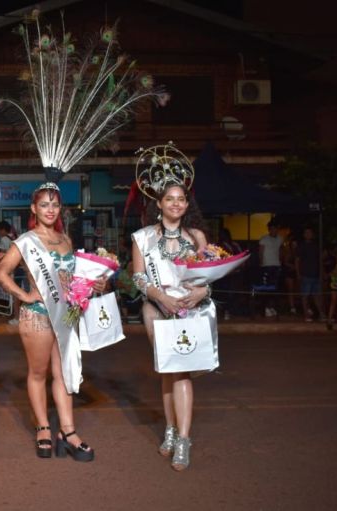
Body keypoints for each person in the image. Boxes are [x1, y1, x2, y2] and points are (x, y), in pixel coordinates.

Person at [0, 181, 104, 463]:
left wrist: (93, 284)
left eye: (55, 204)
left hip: (66, 315)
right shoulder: (26, 241)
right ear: (34, 208)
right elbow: (1, 273)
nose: (50, 210)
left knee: (65, 372)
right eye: (44, 204)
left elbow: (72, 277)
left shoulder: (66, 239)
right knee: (38, 373)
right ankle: (43, 428)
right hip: (39, 316)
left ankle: (67, 432)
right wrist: (24, 295)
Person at [130, 146, 213, 471]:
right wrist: (160, 297)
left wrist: (201, 291)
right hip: (156, 308)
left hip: (191, 308)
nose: (176, 204)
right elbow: (137, 277)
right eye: (170, 199)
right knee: (168, 368)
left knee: (182, 370)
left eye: (181, 199)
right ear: (159, 204)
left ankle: (183, 438)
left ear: (186, 203)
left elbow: (209, 275)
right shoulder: (143, 238)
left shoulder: (198, 237)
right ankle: (170, 428)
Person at [296, 226, 324, 322]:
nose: (308, 234)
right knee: (305, 296)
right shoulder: (301, 246)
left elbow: (319, 260)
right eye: (306, 232)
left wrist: (321, 273)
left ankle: (321, 314)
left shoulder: (316, 246)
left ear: (312, 234)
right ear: (304, 235)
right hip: (305, 274)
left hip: (316, 274)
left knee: (317, 296)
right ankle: (307, 315)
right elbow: (297, 260)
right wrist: (298, 273)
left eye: (310, 232)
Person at [258, 221, 283, 317]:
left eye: (275, 228)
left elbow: (280, 251)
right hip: (266, 266)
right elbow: (260, 252)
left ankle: (271, 307)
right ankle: (266, 308)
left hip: (276, 265)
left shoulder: (280, 239)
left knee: (275, 288)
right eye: (272, 229)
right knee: (267, 288)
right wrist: (261, 263)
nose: (274, 230)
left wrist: (281, 262)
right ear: (269, 229)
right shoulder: (264, 239)